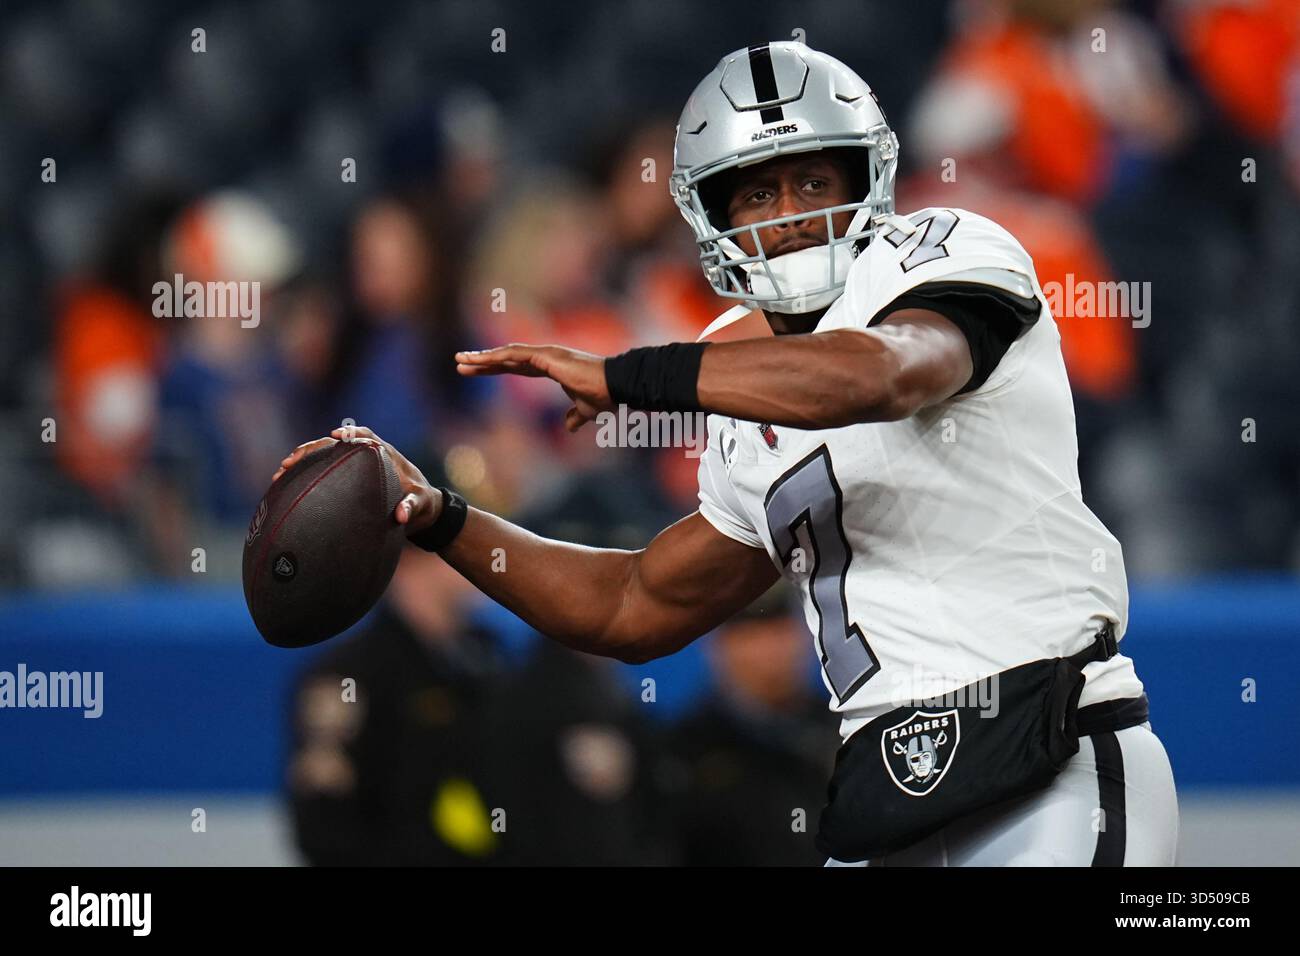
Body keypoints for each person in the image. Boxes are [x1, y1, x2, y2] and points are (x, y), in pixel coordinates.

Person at [276, 42, 1177, 866]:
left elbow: (884, 374)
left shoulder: (945, 252)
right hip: (893, 791)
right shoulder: (741, 388)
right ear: (709, 213)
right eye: (756, 192)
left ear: (866, 178)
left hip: (1052, 753)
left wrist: (635, 375)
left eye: (813, 182)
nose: (787, 217)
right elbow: (636, 603)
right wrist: (446, 517)